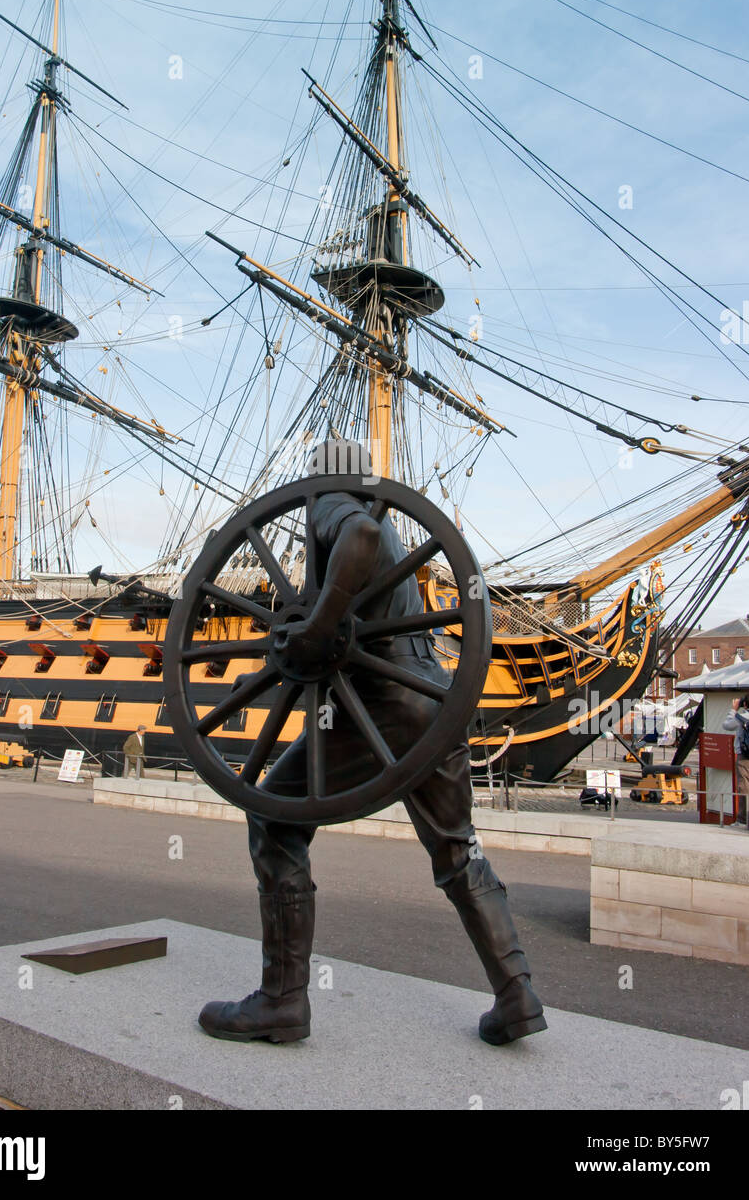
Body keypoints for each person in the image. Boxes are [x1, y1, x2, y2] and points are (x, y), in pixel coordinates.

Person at [198, 440, 547, 1048]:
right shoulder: (393, 537)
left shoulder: (336, 509)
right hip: (432, 700)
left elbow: (353, 539)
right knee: (457, 849)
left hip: (377, 706)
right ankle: (515, 992)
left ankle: (281, 1001)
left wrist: (317, 625)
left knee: (273, 818)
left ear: (324, 479)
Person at [723, 695, 749, 831]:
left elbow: (726, 725)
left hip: (744, 757)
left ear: (744, 705)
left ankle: (744, 820)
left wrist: (733, 709)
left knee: (744, 788)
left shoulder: (740, 718)